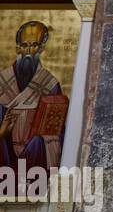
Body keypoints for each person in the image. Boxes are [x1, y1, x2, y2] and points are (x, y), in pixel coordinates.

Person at [0, 21, 67, 172]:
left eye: (34, 45)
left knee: (37, 142)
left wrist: (44, 139)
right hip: (6, 155)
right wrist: (2, 132)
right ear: (18, 48)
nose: (29, 51)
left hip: (37, 156)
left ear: (41, 48)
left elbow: (59, 130)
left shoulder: (50, 84)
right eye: (24, 45)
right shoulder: (2, 82)